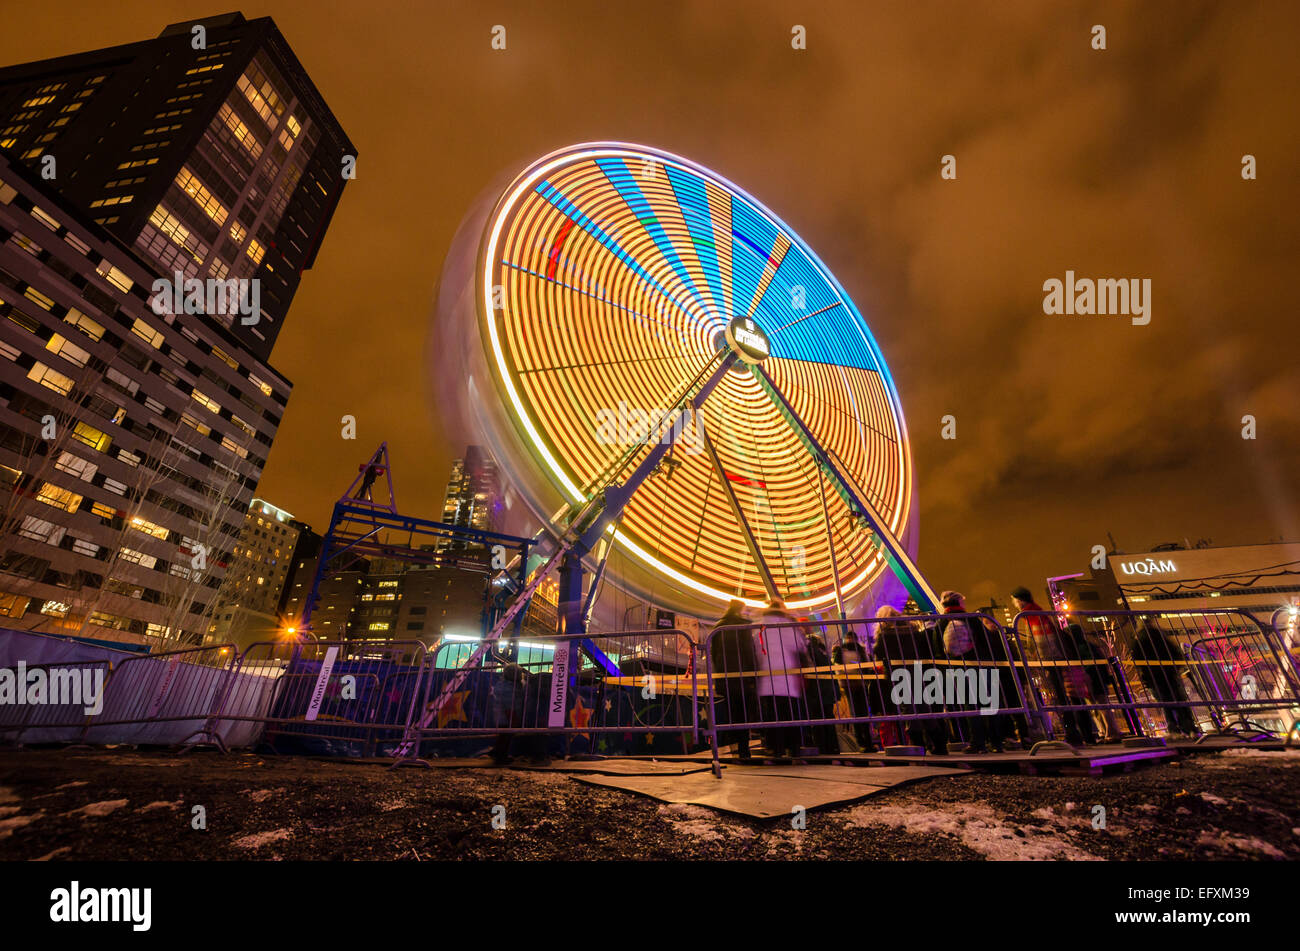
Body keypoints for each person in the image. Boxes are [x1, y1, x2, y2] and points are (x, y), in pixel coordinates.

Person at [1012, 586, 1084, 746]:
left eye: (1014, 600)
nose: (1013, 603)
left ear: (1019, 600)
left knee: (1060, 694)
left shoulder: (1030, 615)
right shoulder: (1035, 613)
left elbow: (1040, 639)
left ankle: (1072, 732)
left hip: (1049, 658)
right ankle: (1074, 732)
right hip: (1052, 657)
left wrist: (1038, 657)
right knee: (1062, 694)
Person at [872, 604, 948, 755]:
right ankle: (939, 744)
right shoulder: (913, 630)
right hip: (917, 671)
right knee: (924, 706)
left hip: (898, 673)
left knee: (908, 708)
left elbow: (879, 652)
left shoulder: (885, 634)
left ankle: (918, 743)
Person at [936, 591, 1000, 753]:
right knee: (988, 703)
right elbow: (987, 641)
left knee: (970, 705)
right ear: (959, 602)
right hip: (980, 664)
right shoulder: (972, 619)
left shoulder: (941, 623)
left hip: (958, 668)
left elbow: (937, 649)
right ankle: (996, 742)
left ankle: (977, 742)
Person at [753, 598, 807, 758]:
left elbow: (756, 648)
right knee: (790, 715)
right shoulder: (788, 626)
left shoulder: (759, 626)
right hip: (788, 679)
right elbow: (799, 647)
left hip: (767, 679)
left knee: (772, 716)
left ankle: (775, 749)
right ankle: (794, 748)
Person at [707, 599, 758, 761]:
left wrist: (718, 677)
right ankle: (744, 750)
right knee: (743, 714)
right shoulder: (742, 626)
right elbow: (748, 651)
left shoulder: (718, 628)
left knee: (730, 715)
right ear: (740, 610)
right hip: (742, 677)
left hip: (725, 678)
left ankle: (733, 751)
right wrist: (753, 674)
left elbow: (714, 655)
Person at [1129, 621, 1199, 737]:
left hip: (1153, 676)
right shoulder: (1162, 638)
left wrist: (1145, 673)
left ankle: (1173, 728)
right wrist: (1175, 668)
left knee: (1165, 702)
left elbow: (1136, 659)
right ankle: (1189, 727)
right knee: (1179, 699)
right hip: (1170, 673)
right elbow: (1176, 652)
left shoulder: (1139, 641)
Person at [832, 626, 878, 752]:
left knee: (860, 713)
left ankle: (865, 742)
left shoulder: (846, 651)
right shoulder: (858, 650)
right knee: (859, 713)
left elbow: (839, 667)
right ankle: (863, 742)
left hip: (854, 684)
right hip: (854, 684)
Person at [804, 633, 841, 753]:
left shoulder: (813, 652)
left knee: (818, 720)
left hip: (816, 691)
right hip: (827, 690)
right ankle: (833, 748)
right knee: (828, 718)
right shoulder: (824, 653)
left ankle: (822, 748)